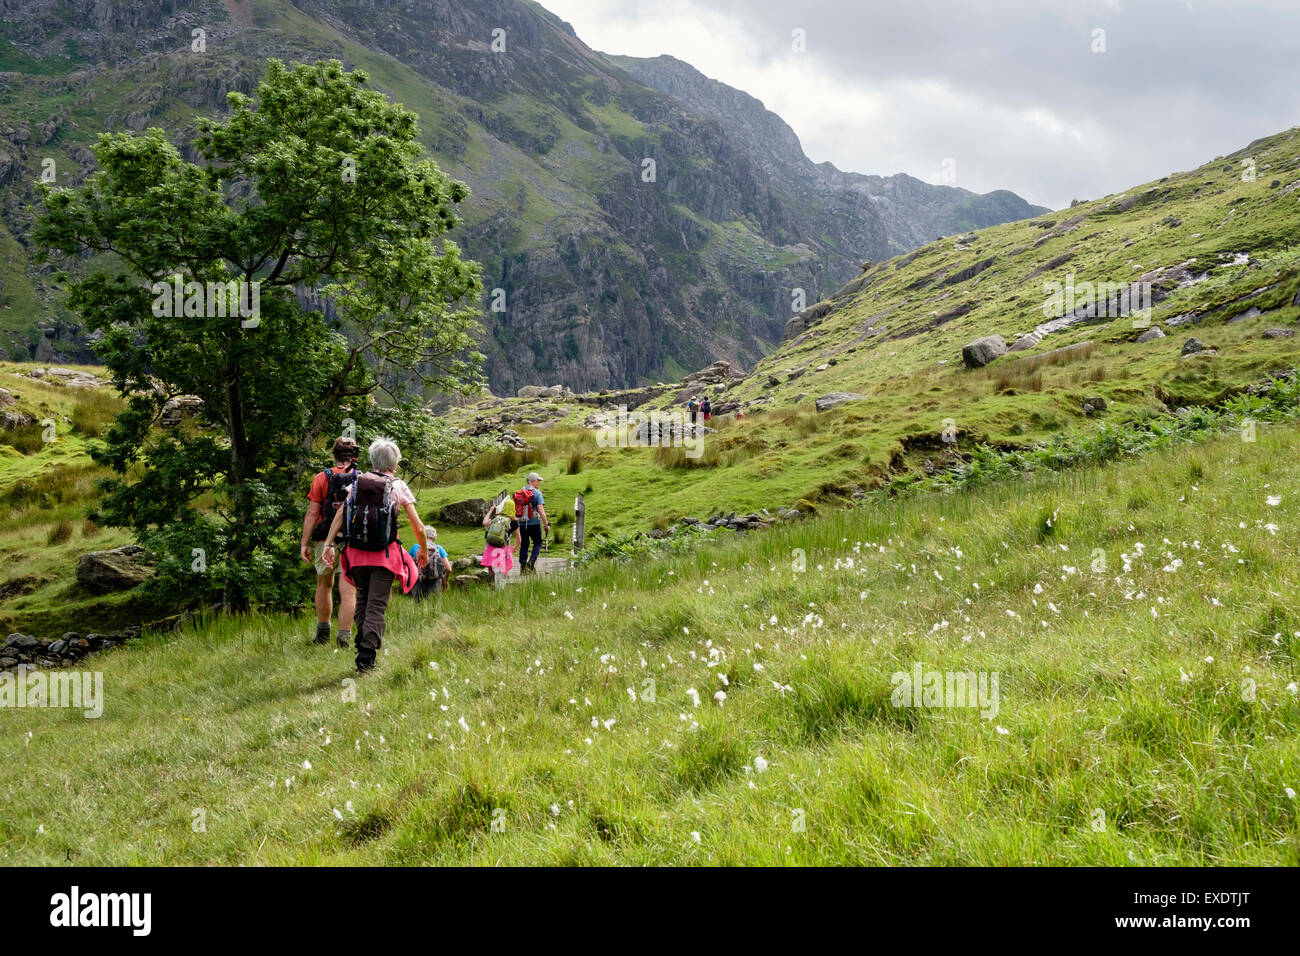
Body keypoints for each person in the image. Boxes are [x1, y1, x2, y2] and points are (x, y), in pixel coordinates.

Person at [321, 437, 427, 673]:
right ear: (395, 463)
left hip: (356, 554)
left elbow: (341, 515)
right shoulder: (398, 485)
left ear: (372, 460)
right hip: (384, 556)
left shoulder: (357, 483)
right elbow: (418, 526)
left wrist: (329, 543)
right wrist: (424, 550)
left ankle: (362, 645)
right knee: (377, 605)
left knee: (364, 599)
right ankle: (366, 657)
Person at [300, 436, 359, 647]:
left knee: (324, 585)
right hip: (351, 540)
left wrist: (304, 543)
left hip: (325, 539)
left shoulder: (321, 478)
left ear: (333, 455)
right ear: (354, 456)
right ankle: (344, 637)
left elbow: (312, 512)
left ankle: (322, 633)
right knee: (349, 589)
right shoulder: (361, 478)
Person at [515, 472, 550, 573]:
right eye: (538, 481)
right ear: (533, 481)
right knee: (538, 542)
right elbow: (540, 509)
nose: (539, 483)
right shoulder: (537, 493)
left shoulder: (520, 492)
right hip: (534, 523)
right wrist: (546, 524)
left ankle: (522, 565)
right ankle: (531, 562)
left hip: (521, 523)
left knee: (524, 544)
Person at [410, 525, 452, 599]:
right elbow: (448, 568)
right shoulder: (439, 548)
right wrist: (445, 581)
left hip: (418, 581)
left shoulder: (415, 547)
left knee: (417, 607)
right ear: (434, 537)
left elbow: (407, 565)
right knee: (434, 606)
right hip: (435, 581)